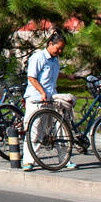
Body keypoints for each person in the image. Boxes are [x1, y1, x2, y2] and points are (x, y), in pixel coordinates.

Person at [22, 31, 74, 171]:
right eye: (58, 48)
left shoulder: (54, 60)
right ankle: (28, 160)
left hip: (51, 97)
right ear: (50, 44)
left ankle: (65, 158)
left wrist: (67, 76)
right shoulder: (38, 57)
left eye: (62, 49)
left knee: (61, 127)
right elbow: (31, 77)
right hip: (36, 98)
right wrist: (42, 92)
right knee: (35, 128)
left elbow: (53, 74)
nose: (60, 51)